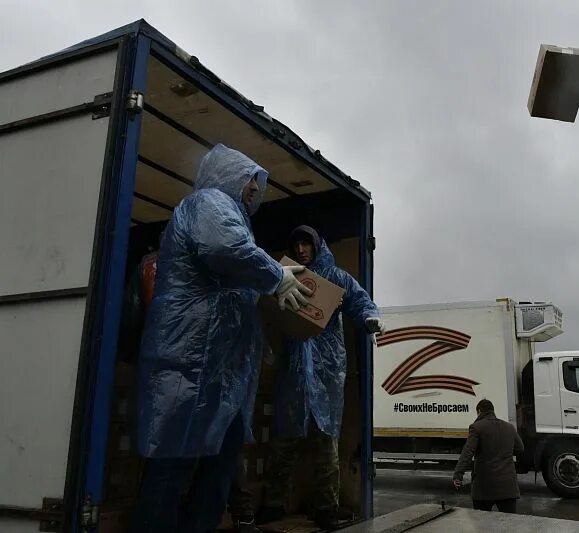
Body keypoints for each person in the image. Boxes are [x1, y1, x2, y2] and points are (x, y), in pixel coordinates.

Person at [132, 144, 312, 533]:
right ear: (227, 174)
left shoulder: (231, 217)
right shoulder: (207, 203)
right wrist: (275, 276)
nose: (255, 189)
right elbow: (225, 249)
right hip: (188, 364)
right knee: (173, 463)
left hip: (221, 372)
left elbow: (236, 283)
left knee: (220, 463)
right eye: (250, 180)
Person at [122, 247, 261, 532]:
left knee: (187, 459)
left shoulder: (161, 265)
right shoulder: (203, 265)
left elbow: (132, 324)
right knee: (188, 461)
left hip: (189, 377)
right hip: (194, 377)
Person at [259, 225, 384, 530]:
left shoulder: (335, 277)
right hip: (293, 374)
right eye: (297, 245)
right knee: (283, 444)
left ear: (316, 245)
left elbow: (359, 301)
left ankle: (326, 508)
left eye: (306, 244)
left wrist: (370, 318)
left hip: (326, 374)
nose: (301, 250)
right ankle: (274, 504)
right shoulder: (287, 276)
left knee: (326, 445)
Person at [452, 399, 524, 514]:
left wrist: (458, 475)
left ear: (479, 411)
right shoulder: (509, 427)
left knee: (482, 522)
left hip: (484, 487)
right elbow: (520, 448)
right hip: (507, 487)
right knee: (509, 522)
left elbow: (468, 452)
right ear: (492, 411)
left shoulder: (476, 427)